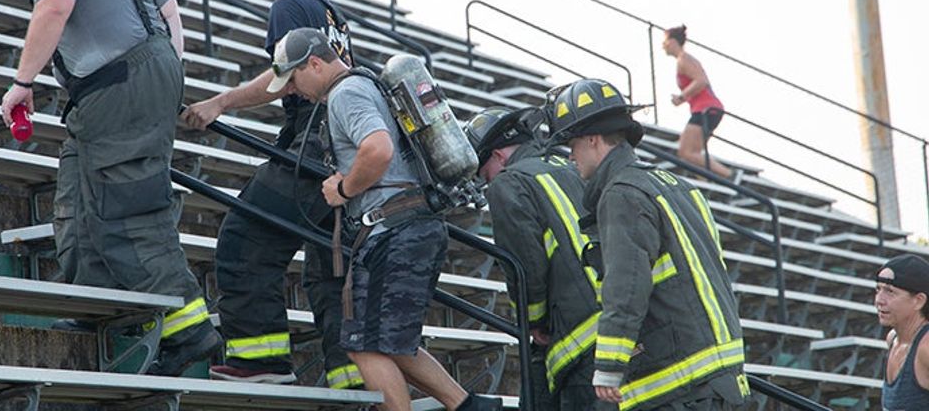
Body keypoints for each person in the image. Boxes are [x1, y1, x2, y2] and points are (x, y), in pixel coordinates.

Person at [0, 0, 217, 376]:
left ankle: (188, 329)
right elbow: (171, 9)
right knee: (77, 201)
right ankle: (99, 309)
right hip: (123, 83)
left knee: (126, 208)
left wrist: (22, 82)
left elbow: (53, 8)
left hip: (117, 82)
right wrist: (165, 74)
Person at [261, 27, 501, 411]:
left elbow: (378, 148)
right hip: (413, 226)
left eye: (293, 78)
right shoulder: (366, 86)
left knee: (362, 344)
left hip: (394, 230)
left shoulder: (345, 93)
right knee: (392, 341)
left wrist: (343, 188)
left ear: (315, 63)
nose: (291, 89)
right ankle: (470, 406)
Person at [181, 0, 357, 386]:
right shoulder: (328, 10)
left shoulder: (287, 7)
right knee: (329, 271)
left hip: (314, 146)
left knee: (245, 240)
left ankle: (260, 362)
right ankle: (352, 378)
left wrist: (220, 102)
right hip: (342, 152)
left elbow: (284, 81)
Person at [549, 78, 750, 410]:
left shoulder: (621, 193)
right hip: (720, 379)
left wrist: (609, 366)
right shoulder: (677, 185)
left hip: (681, 385)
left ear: (592, 139)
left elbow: (626, 284)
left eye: (571, 144)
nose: (570, 155)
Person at [464, 106, 600, 410]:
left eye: (484, 173)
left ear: (498, 156)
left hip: (578, 336)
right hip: (619, 329)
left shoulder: (509, 182)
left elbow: (525, 263)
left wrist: (534, 321)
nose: (487, 183)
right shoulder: (574, 167)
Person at [662, 24, 735, 180]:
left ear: (673, 42)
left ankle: (729, 176)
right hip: (707, 108)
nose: (663, 46)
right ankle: (710, 181)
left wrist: (681, 97)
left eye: (665, 41)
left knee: (686, 152)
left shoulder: (684, 59)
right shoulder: (684, 60)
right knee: (692, 155)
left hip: (705, 109)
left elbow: (701, 81)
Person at [875, 254, 929, 410]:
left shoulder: (926, 347)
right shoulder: (892, 339)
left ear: (918, 300)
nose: (879, 299)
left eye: (890, 292)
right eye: (878, 289)